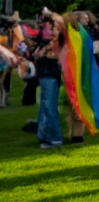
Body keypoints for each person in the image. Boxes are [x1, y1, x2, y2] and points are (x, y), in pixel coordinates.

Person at [34, 12, 65, 148]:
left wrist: (46, 51)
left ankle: (54, 137)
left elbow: (58, 56)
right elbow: (36, 55)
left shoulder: (58, 39)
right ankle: (44, 134)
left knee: (49, 105)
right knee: (46, 105)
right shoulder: (44, 39)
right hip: (45, 73)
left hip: (51, 74)